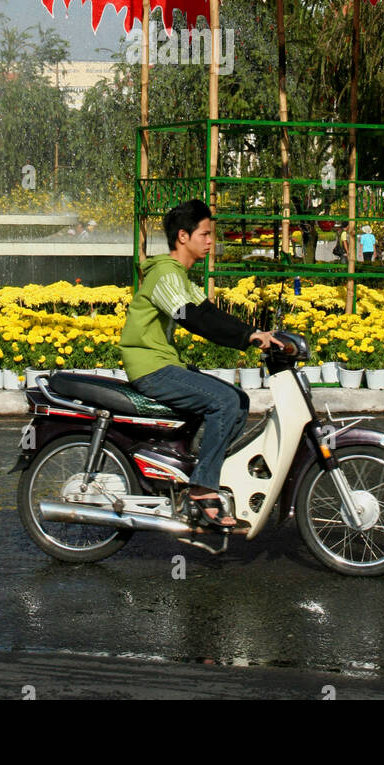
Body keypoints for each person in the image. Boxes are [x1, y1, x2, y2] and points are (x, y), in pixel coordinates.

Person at [120, 200, 280, 530]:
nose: (210, 241)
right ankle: (202, 488)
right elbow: (193, 319)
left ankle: (198, 469)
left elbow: (207, 312)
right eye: (205, 234)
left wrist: (253, 333)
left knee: (239, 401)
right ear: (183, 236)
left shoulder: (177, 275)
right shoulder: (165, 275)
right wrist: (248, 337)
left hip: (164, 364)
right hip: (151, 369)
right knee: (223, 402)